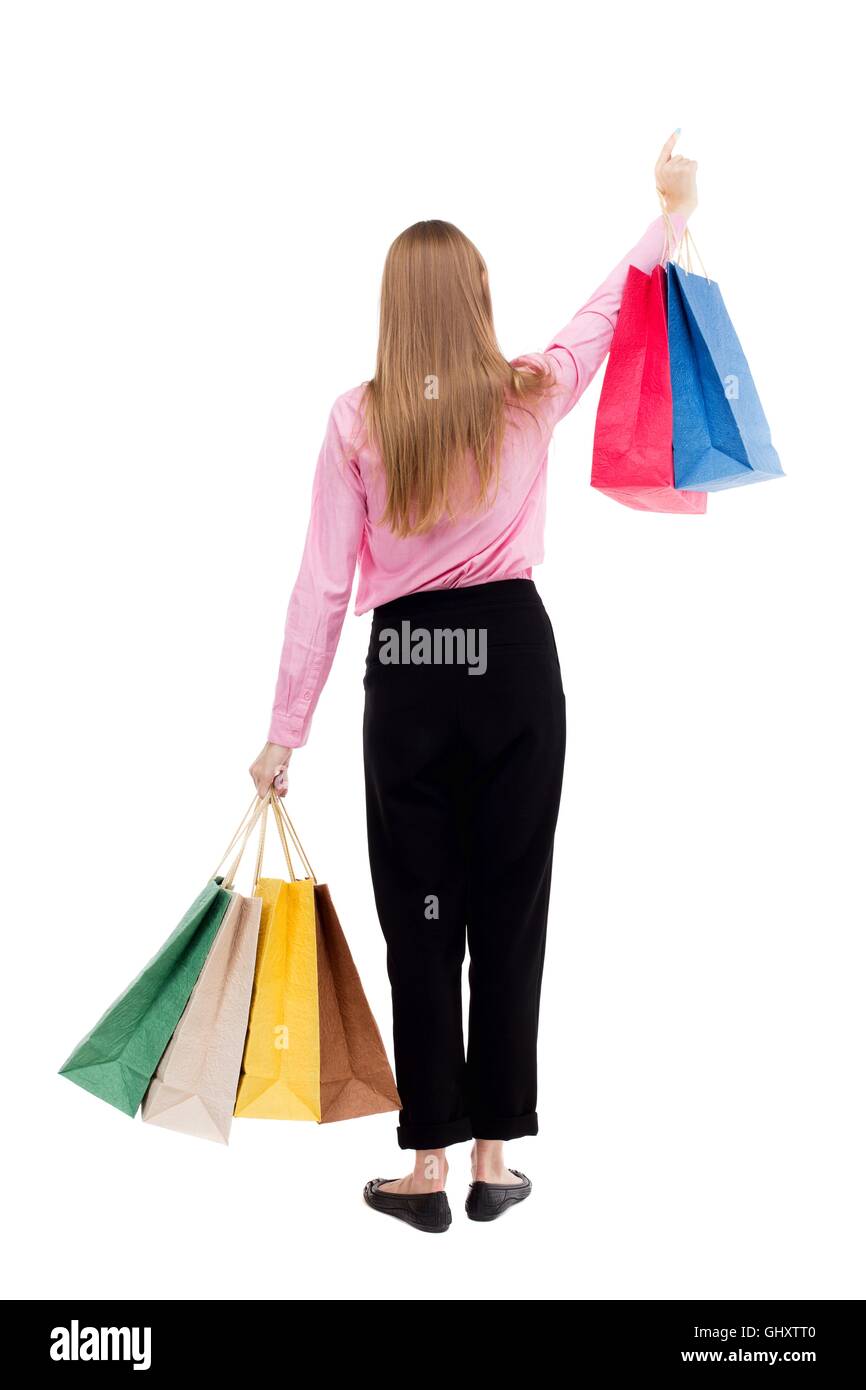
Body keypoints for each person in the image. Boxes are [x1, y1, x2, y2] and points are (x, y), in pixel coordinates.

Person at [250, 133, 698, 1233]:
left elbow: (319, 588)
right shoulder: (524, 394)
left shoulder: (357, 419)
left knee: (422, 917)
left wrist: (282, 734)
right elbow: (607, 309)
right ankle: (497, 1154)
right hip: (511, 661)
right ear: (475, 299)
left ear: (393, 310)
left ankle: (426, 1166)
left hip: (408, 670)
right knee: (508, 909)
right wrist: (668, 215)